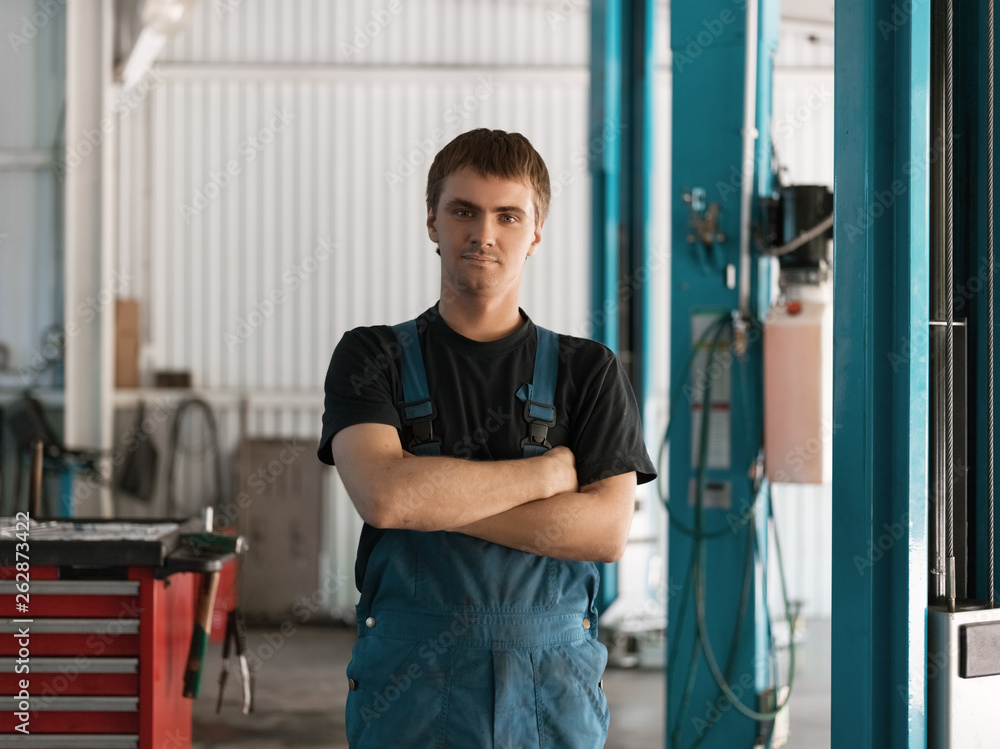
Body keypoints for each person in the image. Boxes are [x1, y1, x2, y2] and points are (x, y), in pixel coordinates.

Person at [318, 128, 656, 748]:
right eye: (463, 210)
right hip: (409, 691)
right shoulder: (372, 356)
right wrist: (546, 477)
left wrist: (433, 499)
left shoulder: (590, 371)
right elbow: (386, 501)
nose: (483, 234)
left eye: (508, 215)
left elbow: (604, 533)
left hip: (552, 692)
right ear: (431, 221)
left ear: (536, 233)